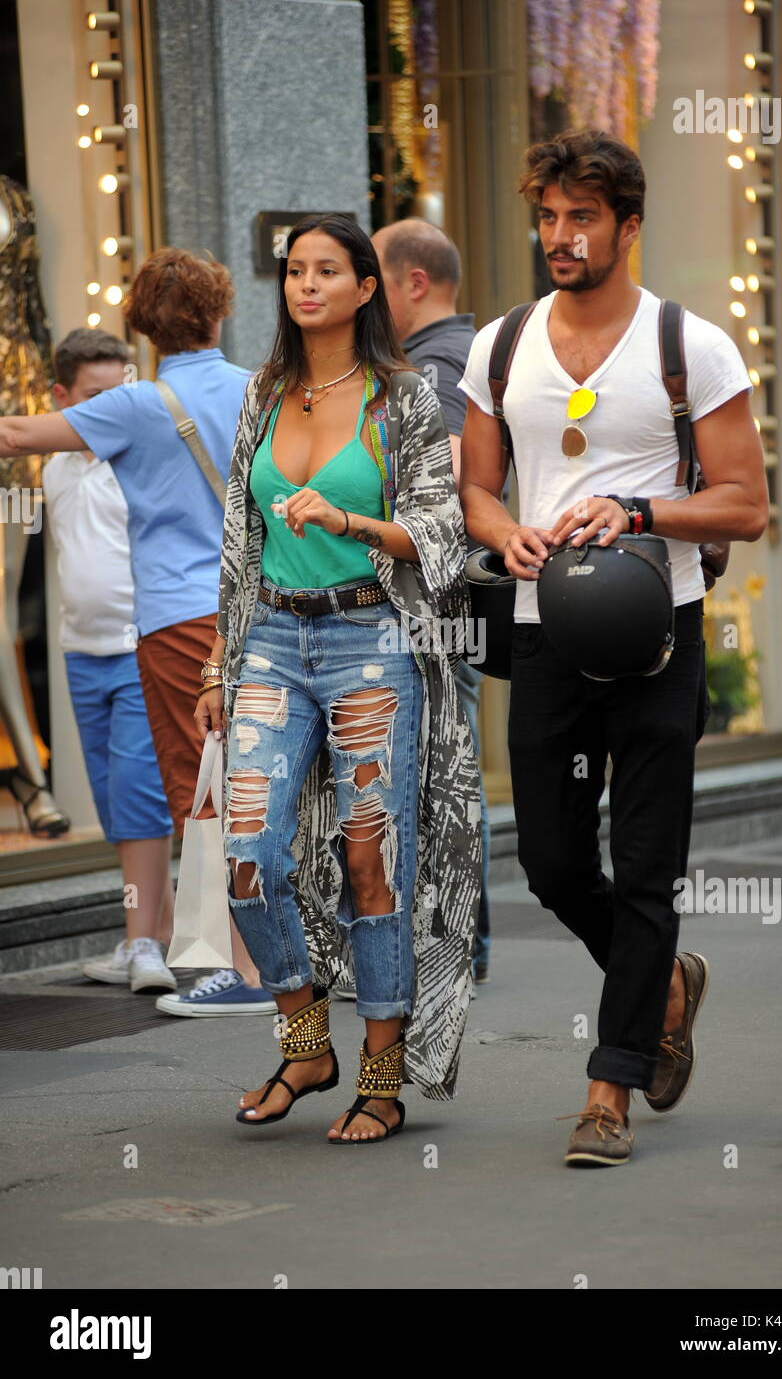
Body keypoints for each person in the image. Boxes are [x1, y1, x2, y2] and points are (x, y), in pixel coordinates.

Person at [458, 130, 769, 1167]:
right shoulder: (500, 345)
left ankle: (610, 1085)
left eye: (580, 217)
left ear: (627, 226)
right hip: (545, 631)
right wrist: (509, 535)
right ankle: (669, 983)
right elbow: (476, 489)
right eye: (546, 216)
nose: (559, 235)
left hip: (657, 632)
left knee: (646, 868)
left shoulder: (692, 345)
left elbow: (747, 505)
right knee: (550, 862)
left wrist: (638, 510)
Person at [196, 211, 481, 1142]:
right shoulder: (263, 393)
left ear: (367, 288)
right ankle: (304, 1038)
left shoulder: (400, 396)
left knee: (372, 861)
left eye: (327, 271)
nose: (305, 284)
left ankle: (383, 1075)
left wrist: (353, 524)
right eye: (294, 271)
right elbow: (238, 543)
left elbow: (444, 536)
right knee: (250, 855)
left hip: (371, 641)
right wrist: (215, 663)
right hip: (274, 638)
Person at [0, 248, 272, 1016]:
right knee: (261, 780)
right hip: (264, 608)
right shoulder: (260, 386)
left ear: (144, 327)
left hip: (181, 619)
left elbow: (16, 436)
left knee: (207, 791)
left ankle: (247, 973)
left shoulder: (135, 404)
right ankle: (277, 958)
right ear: (219, 311)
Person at [372, 217, 492, 984]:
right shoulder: (456, 354)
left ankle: (457, 945)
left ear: (413, 284)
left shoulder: (441, 366)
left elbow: (446, 477)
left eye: (370, 278)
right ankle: (452, 942)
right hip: (434, 604)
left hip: (432, 605)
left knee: (441, 772)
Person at [42, 328, 176, 994]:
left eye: (121, 394)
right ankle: (157, 933)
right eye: (94, 398)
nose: (110, 412)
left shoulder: (144, 460)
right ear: (61, 399)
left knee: (136, 802)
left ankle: (142, 942)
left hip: (135, 648)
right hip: (79, 652)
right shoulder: (53, 466)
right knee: (112, 804)